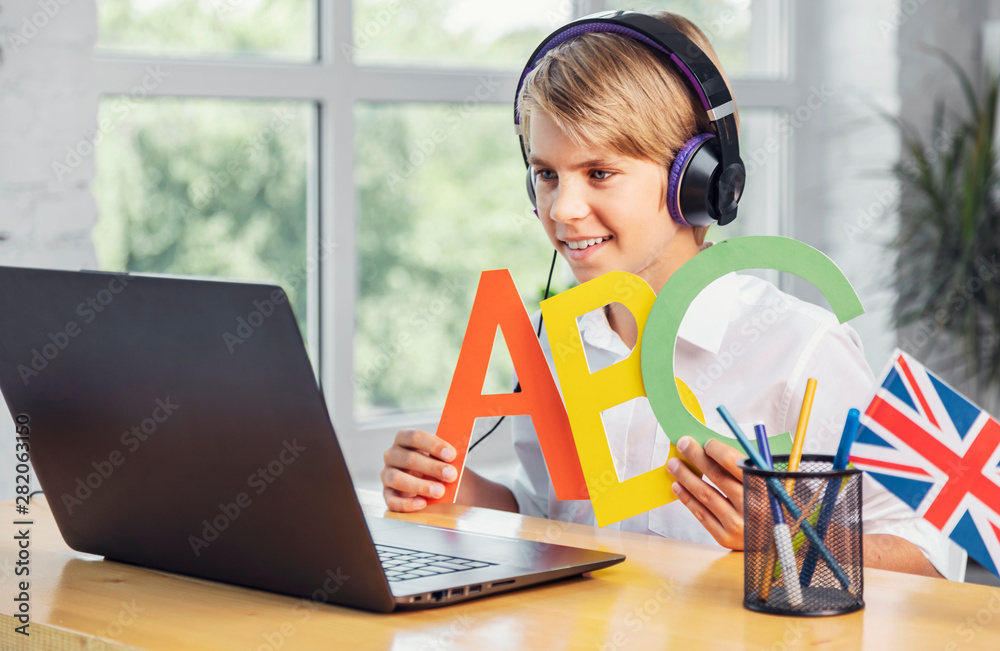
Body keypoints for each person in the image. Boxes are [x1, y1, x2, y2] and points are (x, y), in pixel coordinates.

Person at [381, 10, 962, 580]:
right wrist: (457, 487)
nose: (561, 210)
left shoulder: (798, 348)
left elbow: (932, 554)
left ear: (698, 180)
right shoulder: (558, 342)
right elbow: (553, 517)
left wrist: (786, 537)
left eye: (600, 173)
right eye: (546, 174)